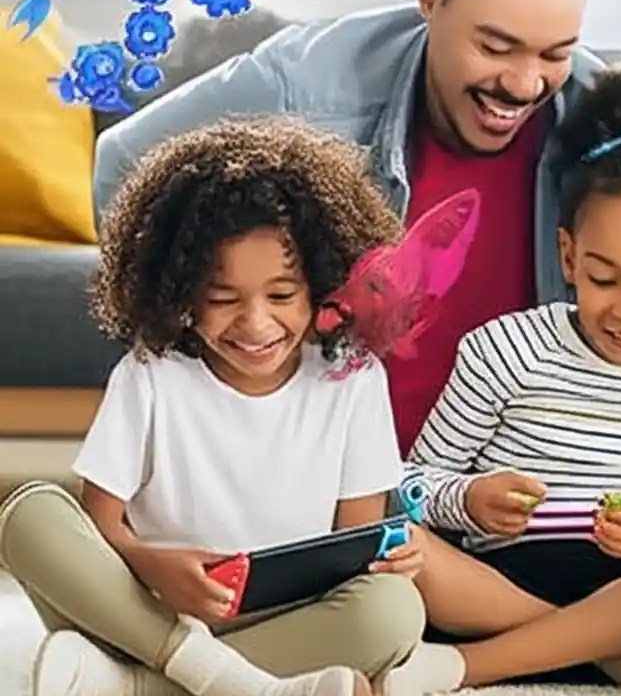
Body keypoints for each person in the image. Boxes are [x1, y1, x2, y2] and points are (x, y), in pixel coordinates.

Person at [90, 0, 621, 456]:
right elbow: (125, 166)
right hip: (331, 470)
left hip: (517, 483)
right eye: (496, 46)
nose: (525, 83)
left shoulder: (600, 109)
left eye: (554, 53)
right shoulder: (308, 84)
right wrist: (237, 348)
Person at [0, 119, 430, 696]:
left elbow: (351, 544)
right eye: (222, 299)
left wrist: (390, 554)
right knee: (30, 514)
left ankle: (135, 686)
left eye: (281, 296)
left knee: (395, 609)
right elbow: (100, 520)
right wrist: (149, 563)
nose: (255, 324)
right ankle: (232, 683)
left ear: (325, 285)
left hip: (283, 618)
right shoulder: (152, 373)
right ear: (178, 295)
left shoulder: (350, 379)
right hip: (140, 611)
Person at [379, 57, 621, 696]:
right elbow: (409, 486)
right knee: (395, 539)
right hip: (497, 581)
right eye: (604, 278)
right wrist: (470, 499)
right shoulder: (505, 349)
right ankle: (617, 658)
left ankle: (473, 667)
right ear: (569, 256)